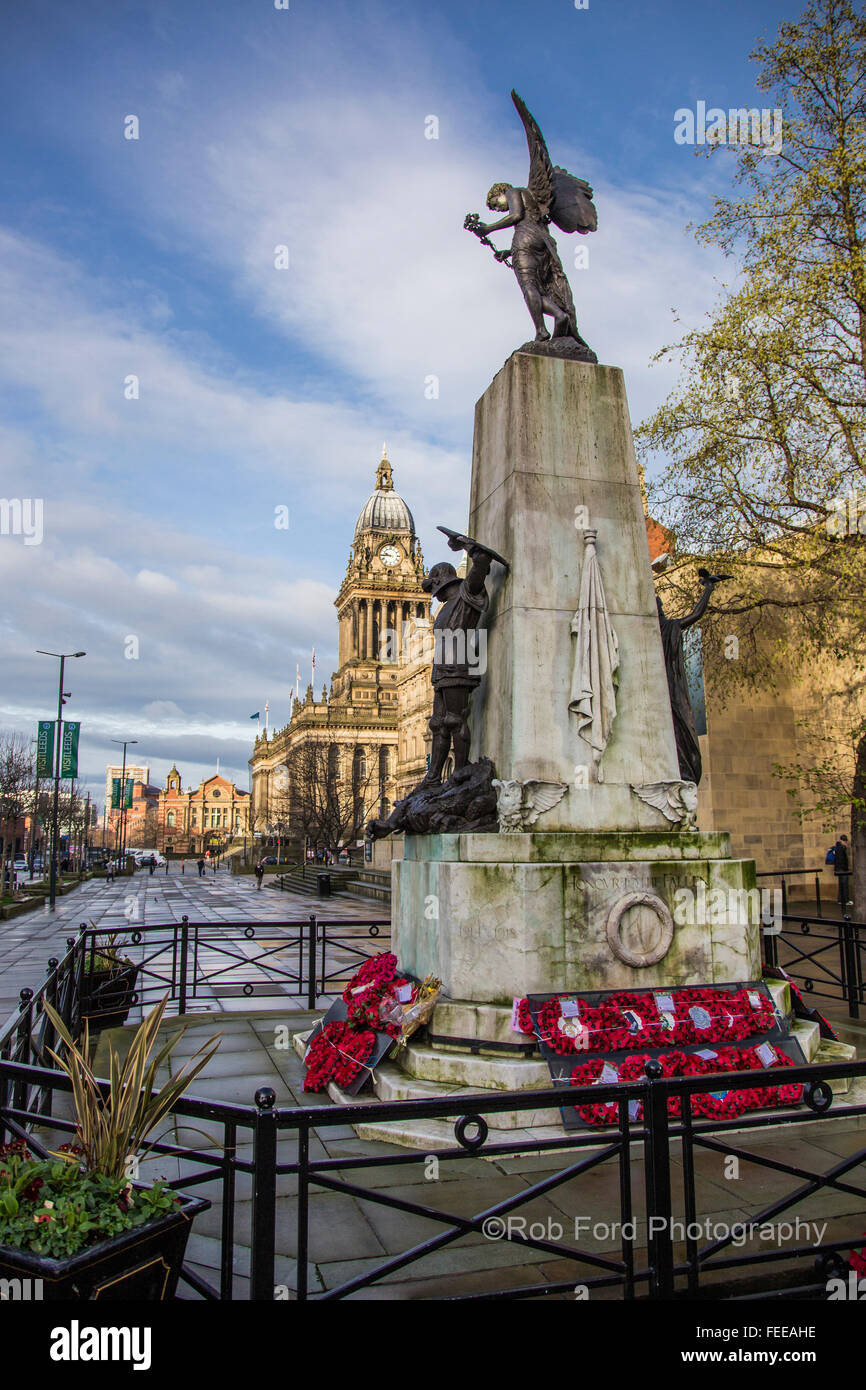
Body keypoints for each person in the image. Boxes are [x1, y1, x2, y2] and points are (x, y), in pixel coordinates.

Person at [833, 833, 853, 909]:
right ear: (842, 841)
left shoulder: (837, 847)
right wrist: (845, 869)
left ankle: (840, 899)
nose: (845, 842)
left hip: (839, 869)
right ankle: (846, 900)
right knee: (844, 885)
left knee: (841, 884)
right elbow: (842, 860)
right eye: (844, 841)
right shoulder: (842, 848)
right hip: (842, 869)